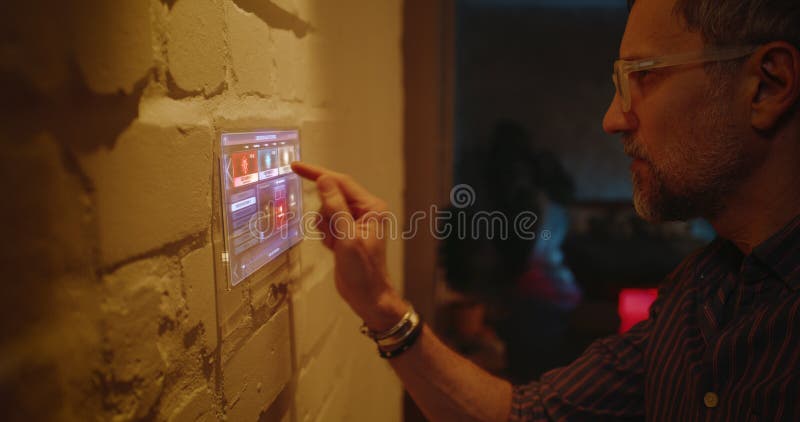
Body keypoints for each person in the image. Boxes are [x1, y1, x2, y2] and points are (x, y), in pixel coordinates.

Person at [290, 0, 800, 419]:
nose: (612, 119)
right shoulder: (697, 295)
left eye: (641, 76)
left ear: (767, 85)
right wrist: (380, 305)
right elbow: (525, 415)